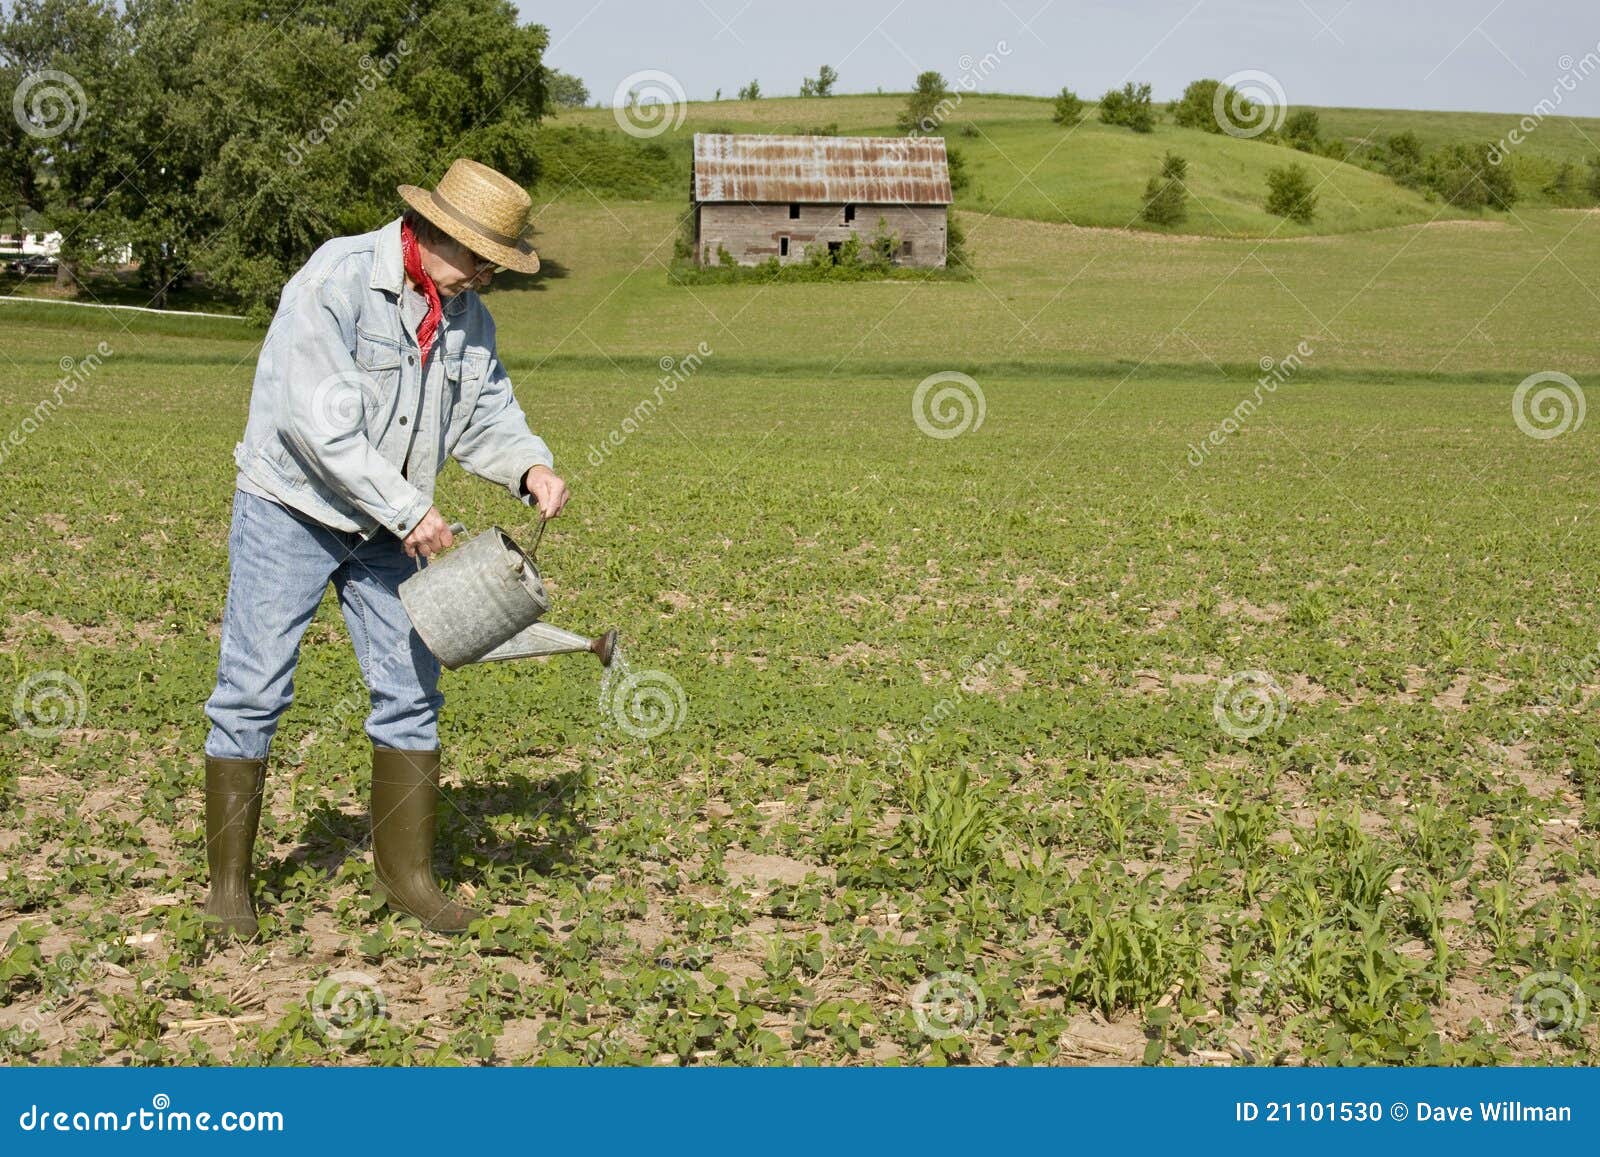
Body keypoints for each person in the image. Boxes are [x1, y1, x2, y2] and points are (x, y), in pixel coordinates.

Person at [200, 158, 568, 936]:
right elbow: (315, 423)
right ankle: (228, 887)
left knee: (411, 690)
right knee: (253, 690)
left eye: (496, 266)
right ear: (436, 232)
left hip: (384, 526)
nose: (485, 278)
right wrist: (409, 508)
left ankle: (409, 880)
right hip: (291, 506)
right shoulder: (335, 280)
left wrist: (528, 463)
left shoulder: (467, 316)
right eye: (479, 260)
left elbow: (487, 411)